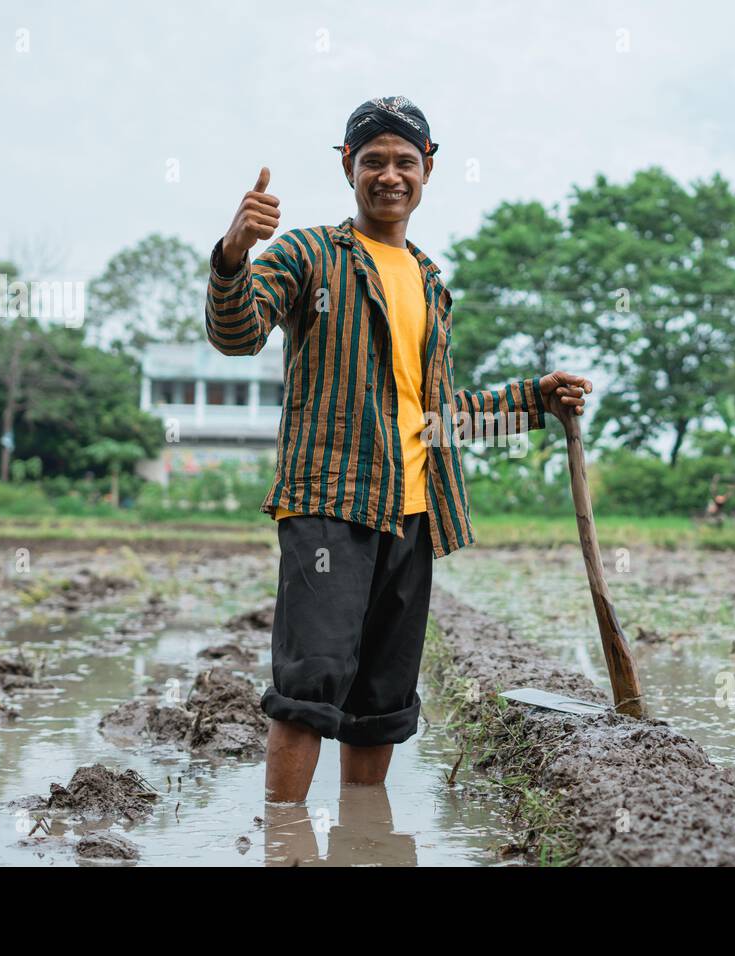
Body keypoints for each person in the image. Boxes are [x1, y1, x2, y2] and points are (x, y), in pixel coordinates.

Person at [206, 95, 592, 803]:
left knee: (381, 702)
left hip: (415, 514)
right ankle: (285, 845)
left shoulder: (432, 281)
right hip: (329, 503)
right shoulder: (308, 252)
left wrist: (533, 400)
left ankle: (361, 841)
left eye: (405, 162)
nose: (390, 175)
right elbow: (238, 333)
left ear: (428, 170)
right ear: (348, 165)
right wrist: (233, 255)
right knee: (310, 683)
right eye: (373, 160)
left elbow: (438, 417)